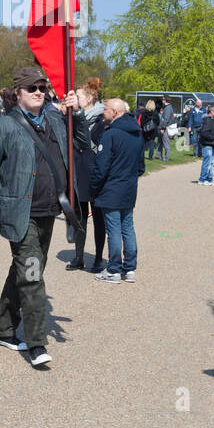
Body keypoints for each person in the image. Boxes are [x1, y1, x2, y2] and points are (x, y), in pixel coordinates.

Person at [0, 66, 88, 369]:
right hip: (19, 213)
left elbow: (82, 143)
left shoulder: (55, 118)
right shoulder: (5, 127)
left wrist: (75, 114)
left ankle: (2, 329)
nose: (39, 92)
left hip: (50, 212)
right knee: (33, 274)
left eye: (42, 87)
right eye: (31, 89)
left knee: (24, 272)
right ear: (17, 94)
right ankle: (36, 343)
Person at [90, 98, 145, 283]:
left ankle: (114, 269)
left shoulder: (110, 134)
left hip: (112, 187)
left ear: (114, 112)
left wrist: (94, 188)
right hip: (128, 187)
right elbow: (141, 166)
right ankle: (129, 268)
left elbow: (101, 167)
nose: (102, 112)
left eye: (105, 109)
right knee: (128, 227)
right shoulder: (137, 133)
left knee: (114, 229)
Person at [68, 78, 106, 271]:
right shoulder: (72, 117)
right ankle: (79, 256)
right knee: (80, 217)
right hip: (79, 173)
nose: (75, 99)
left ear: (89, 98)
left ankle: (99, 257)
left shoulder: (102, 118)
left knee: (99, 219)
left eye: (79, 96)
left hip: (97, 174)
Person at [197, 104, 214, 185]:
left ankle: (209, 179)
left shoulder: (211, 120)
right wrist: (213, 138)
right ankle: (202, 179)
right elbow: (204, 133)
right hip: (207, 144)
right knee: (207, 162)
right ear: (211, 112)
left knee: (211, 163)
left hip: (211, 144)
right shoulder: (208, 120)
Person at [156, 96, 175, 162]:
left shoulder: (168, 108)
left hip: (165, 128)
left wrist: (162, 128)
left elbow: (166, 119)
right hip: (164, 127)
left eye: (163, 99)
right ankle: (159, 155)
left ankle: (166, 158)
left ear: (165, 100)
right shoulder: (166, 107)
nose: (162, 100)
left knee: (166, 143)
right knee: (160, 142)